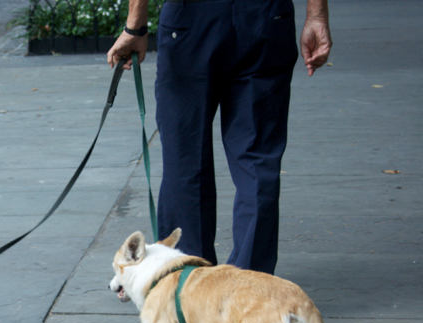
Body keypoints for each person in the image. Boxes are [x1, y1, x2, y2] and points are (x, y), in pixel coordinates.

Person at [107, 0, 332, 274]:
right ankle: (249, 287)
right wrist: (316, 16)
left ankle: (187, 284)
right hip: (265, 17)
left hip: (191, 21)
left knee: (185, 160)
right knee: (257, 162)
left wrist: (135, 25)